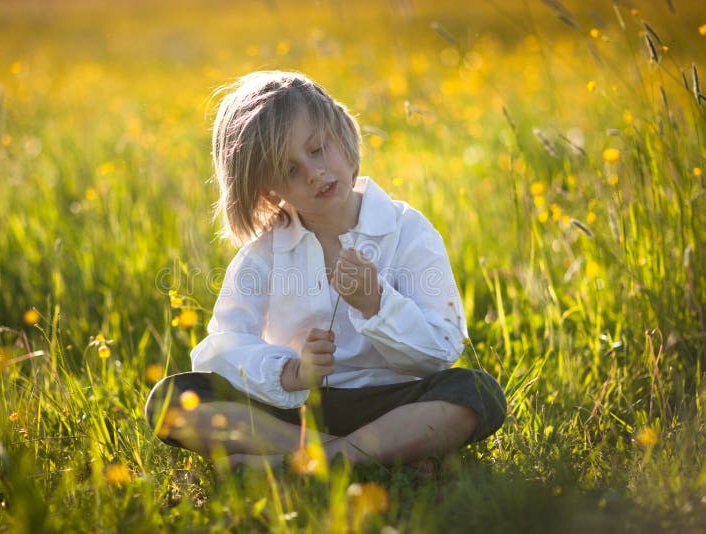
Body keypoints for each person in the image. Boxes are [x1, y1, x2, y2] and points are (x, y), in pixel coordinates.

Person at [145, 70, 506, 470]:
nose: (314, 172)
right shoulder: (263, 254)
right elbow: (221, 349)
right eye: (291, 171)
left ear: (343, 133)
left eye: (317, 149)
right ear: (270, 191)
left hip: (391, 402)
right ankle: (371, 456)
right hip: (297, 409)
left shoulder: (408, 232)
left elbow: (440, 351)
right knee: (173, 399)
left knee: (476, 392)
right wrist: (290, 373)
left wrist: (377, 304)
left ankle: (303, 463)